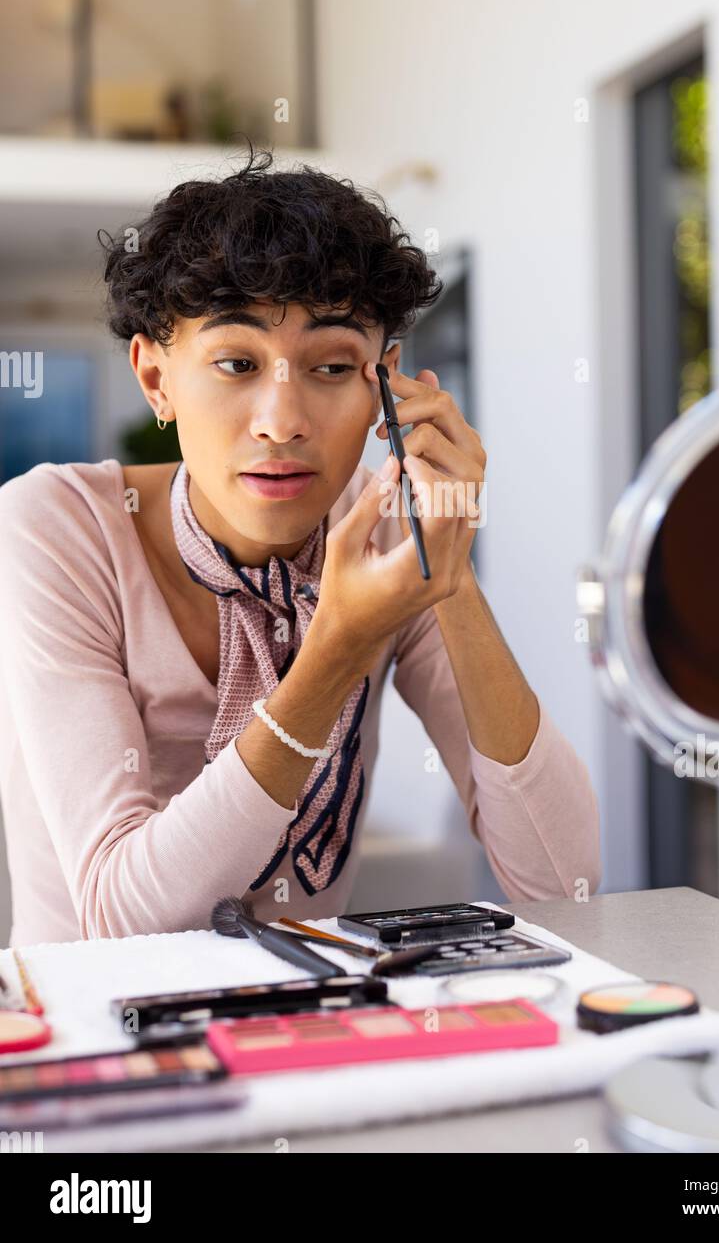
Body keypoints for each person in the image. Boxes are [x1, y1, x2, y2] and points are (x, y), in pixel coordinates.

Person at [0, 148, 600, 944]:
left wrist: (446, 569)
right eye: (236, 363)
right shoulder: (56, 526)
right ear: (156, 380)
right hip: (93, 1020)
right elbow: (123, 922)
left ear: (384, 384)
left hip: (307, 1014)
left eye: (331, 366)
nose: (282, 421)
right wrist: (333, 655)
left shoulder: (388, 536)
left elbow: (563, 882)